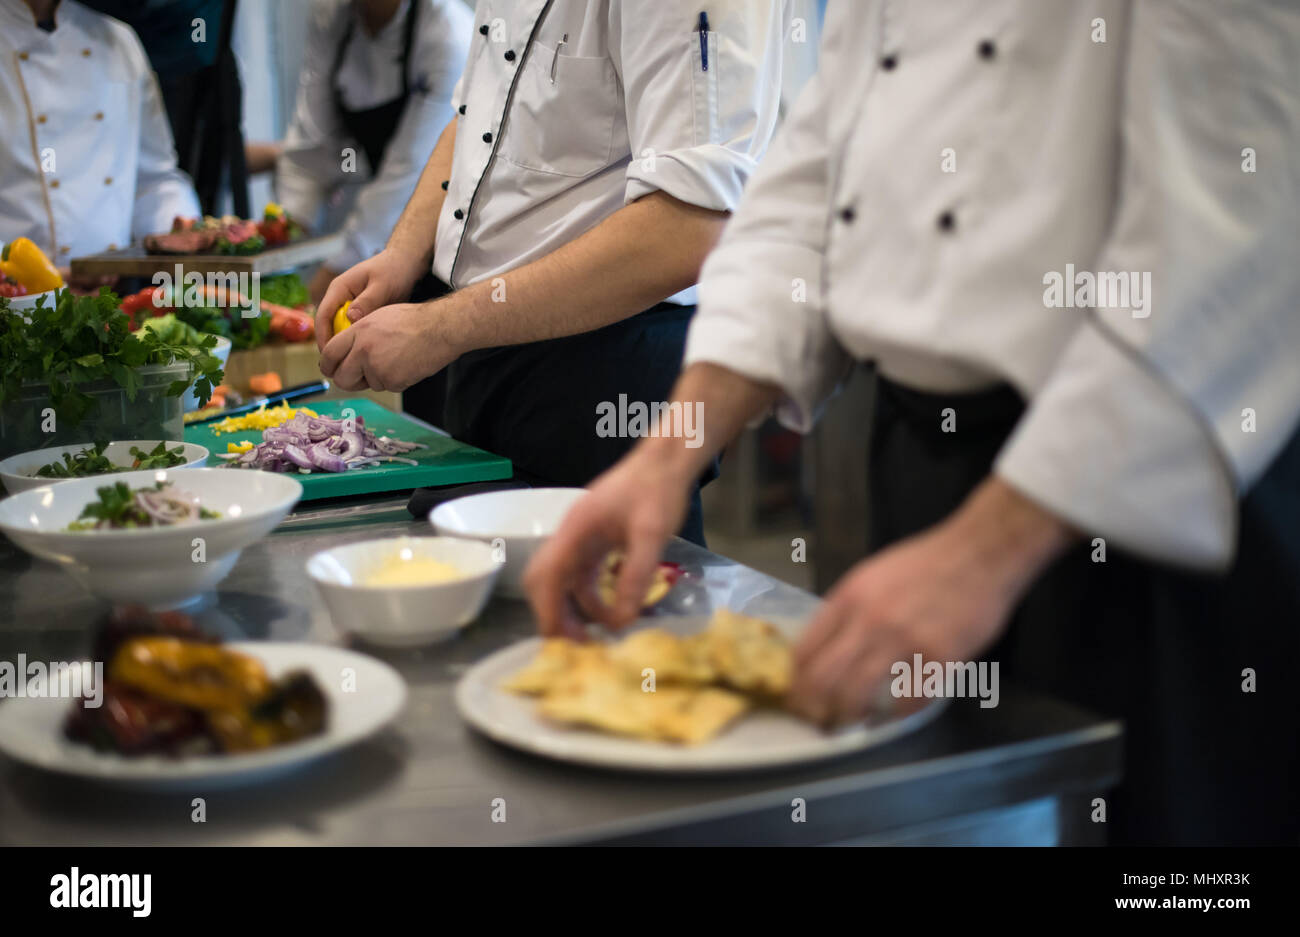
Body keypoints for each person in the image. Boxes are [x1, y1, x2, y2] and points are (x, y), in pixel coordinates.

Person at [524, 0, 1300, 846]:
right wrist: (664, 459)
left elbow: (1244, 238)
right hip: (923, 472)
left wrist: (980, 556)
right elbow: (811, 183)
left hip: (1144, 491)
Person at [316, 1, 792, 543]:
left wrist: (438, 328)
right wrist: (402, 254)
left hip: (605, 373)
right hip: (486, 349)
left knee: (611, 612)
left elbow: (691, 227)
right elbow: (479, 121)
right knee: (500, 614)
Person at [275, 0, 473, 304]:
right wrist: (277, 260)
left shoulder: (448, 35)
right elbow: (311, 156)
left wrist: (320, 293)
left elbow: (406, 173)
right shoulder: (331, 15)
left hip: (445, 227)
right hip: (378, 226)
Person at [0, 0, 200, 281]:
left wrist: (183, 229)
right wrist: (39, 278)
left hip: (112, 302)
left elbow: (153, 181)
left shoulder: (119, 42)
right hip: (13, 304)